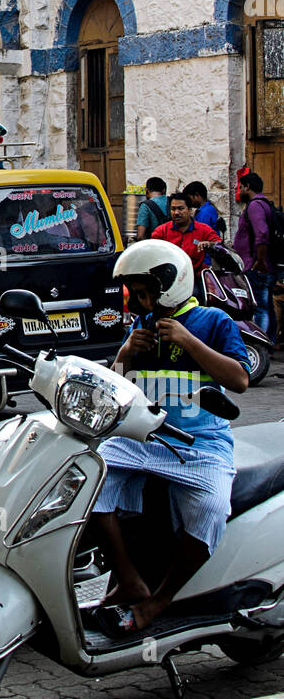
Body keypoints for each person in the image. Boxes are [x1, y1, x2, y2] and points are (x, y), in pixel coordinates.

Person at [91, 239, 250, 635]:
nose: (143, 302)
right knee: (86, 483)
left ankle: (161, 599)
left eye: (147, 293)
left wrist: (188, 341)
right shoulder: (141, 326)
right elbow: (117, 385)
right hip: (139, 441)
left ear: (171, 284)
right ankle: (127, 578)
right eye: (137, 295)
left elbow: (240, 380)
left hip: (199, 444)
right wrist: (126, 351)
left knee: (212, 510)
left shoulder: (214, 322)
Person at [234, 170, 278, 344]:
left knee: (259, 308)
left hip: (256, 266)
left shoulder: (255, 205)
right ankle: (270, 340)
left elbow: (262, 233)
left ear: (248, 187)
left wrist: (259, 261)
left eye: (241, 187)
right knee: (266, 306)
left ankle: (259, 343)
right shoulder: (265, 204)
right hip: (262, 265)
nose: (239, 191)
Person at [150, 190, 221, 275]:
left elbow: (219, 245)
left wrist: (209, 244)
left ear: (190, 210)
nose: (176, 213)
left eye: (181, 208)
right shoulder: (161, 231)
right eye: (173, 209)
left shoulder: (203, 229)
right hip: (169, 278)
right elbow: (152, 251)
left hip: (195, 277)